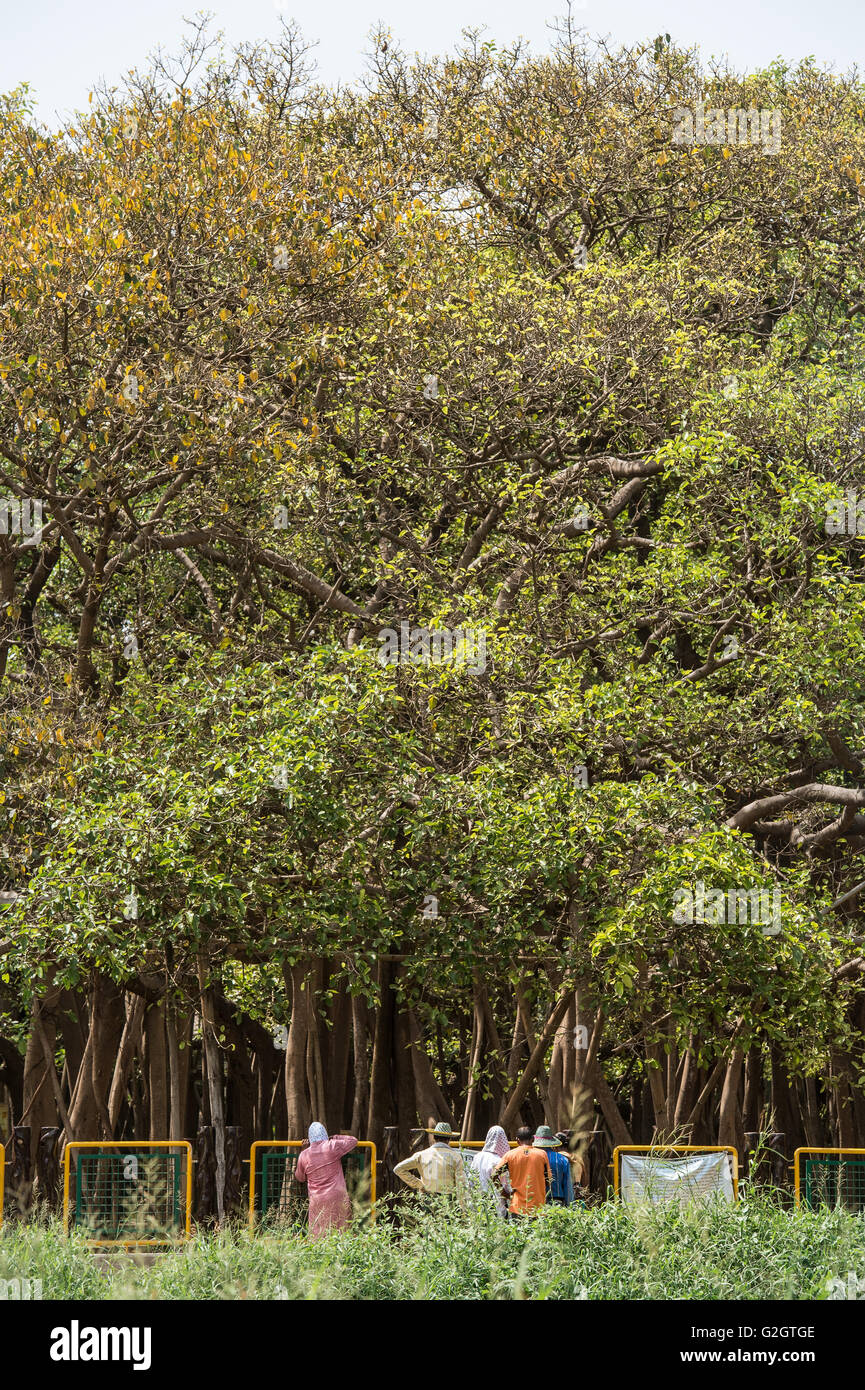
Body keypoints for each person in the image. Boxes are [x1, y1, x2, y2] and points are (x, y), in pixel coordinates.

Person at [294, 1121, 359, 1237]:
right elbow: (353, 1141)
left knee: (318, 1232)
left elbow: (300, 1177)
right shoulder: (332, 1146)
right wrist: (334, 1137)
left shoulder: (304, 1155)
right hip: (338, 1196)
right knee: (342, 1229)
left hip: (317, 1200)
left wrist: (302, 1151)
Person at [394, 1121, 467, 1198]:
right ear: (449, 1139)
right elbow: (461, 1183)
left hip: (427, 1196)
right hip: (447, 1199)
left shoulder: (421, 1155)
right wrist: (463, 1206)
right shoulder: (455, 1157)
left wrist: (419, 1184)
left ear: (434, 1137)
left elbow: (398, 1169)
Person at [492, 1123, 551, 1216]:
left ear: (517, 1140)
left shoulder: (510, 1155)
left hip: (517, 1207)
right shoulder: (542, 1154)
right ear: (533, 1139)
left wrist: (505, 1193)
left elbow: (494, 1175)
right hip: (538, 1207)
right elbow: (548, 1180)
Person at [469, 1124, 512, 1218]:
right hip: (494, 1201)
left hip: (479, 1199)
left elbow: (471, 1178)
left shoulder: (477, 1157)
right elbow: (504, 1185)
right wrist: (509, 1196)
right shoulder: (498, 1161)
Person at [534, 1125, 574, 1205]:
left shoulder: (531, 1159)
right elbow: (568, 1186)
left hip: (535, 1203)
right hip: (557, 1203)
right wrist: (570, 1206)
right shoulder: (562, 1159)